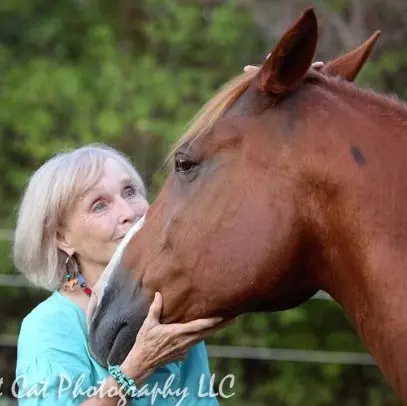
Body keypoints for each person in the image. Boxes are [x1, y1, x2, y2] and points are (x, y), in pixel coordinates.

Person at [13, 144, 227, 405]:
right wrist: (135, 369)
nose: (129, 213)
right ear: (61, 237)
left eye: (130, 191)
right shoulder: (49, 326)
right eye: (99, 206)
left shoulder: (166, 304)